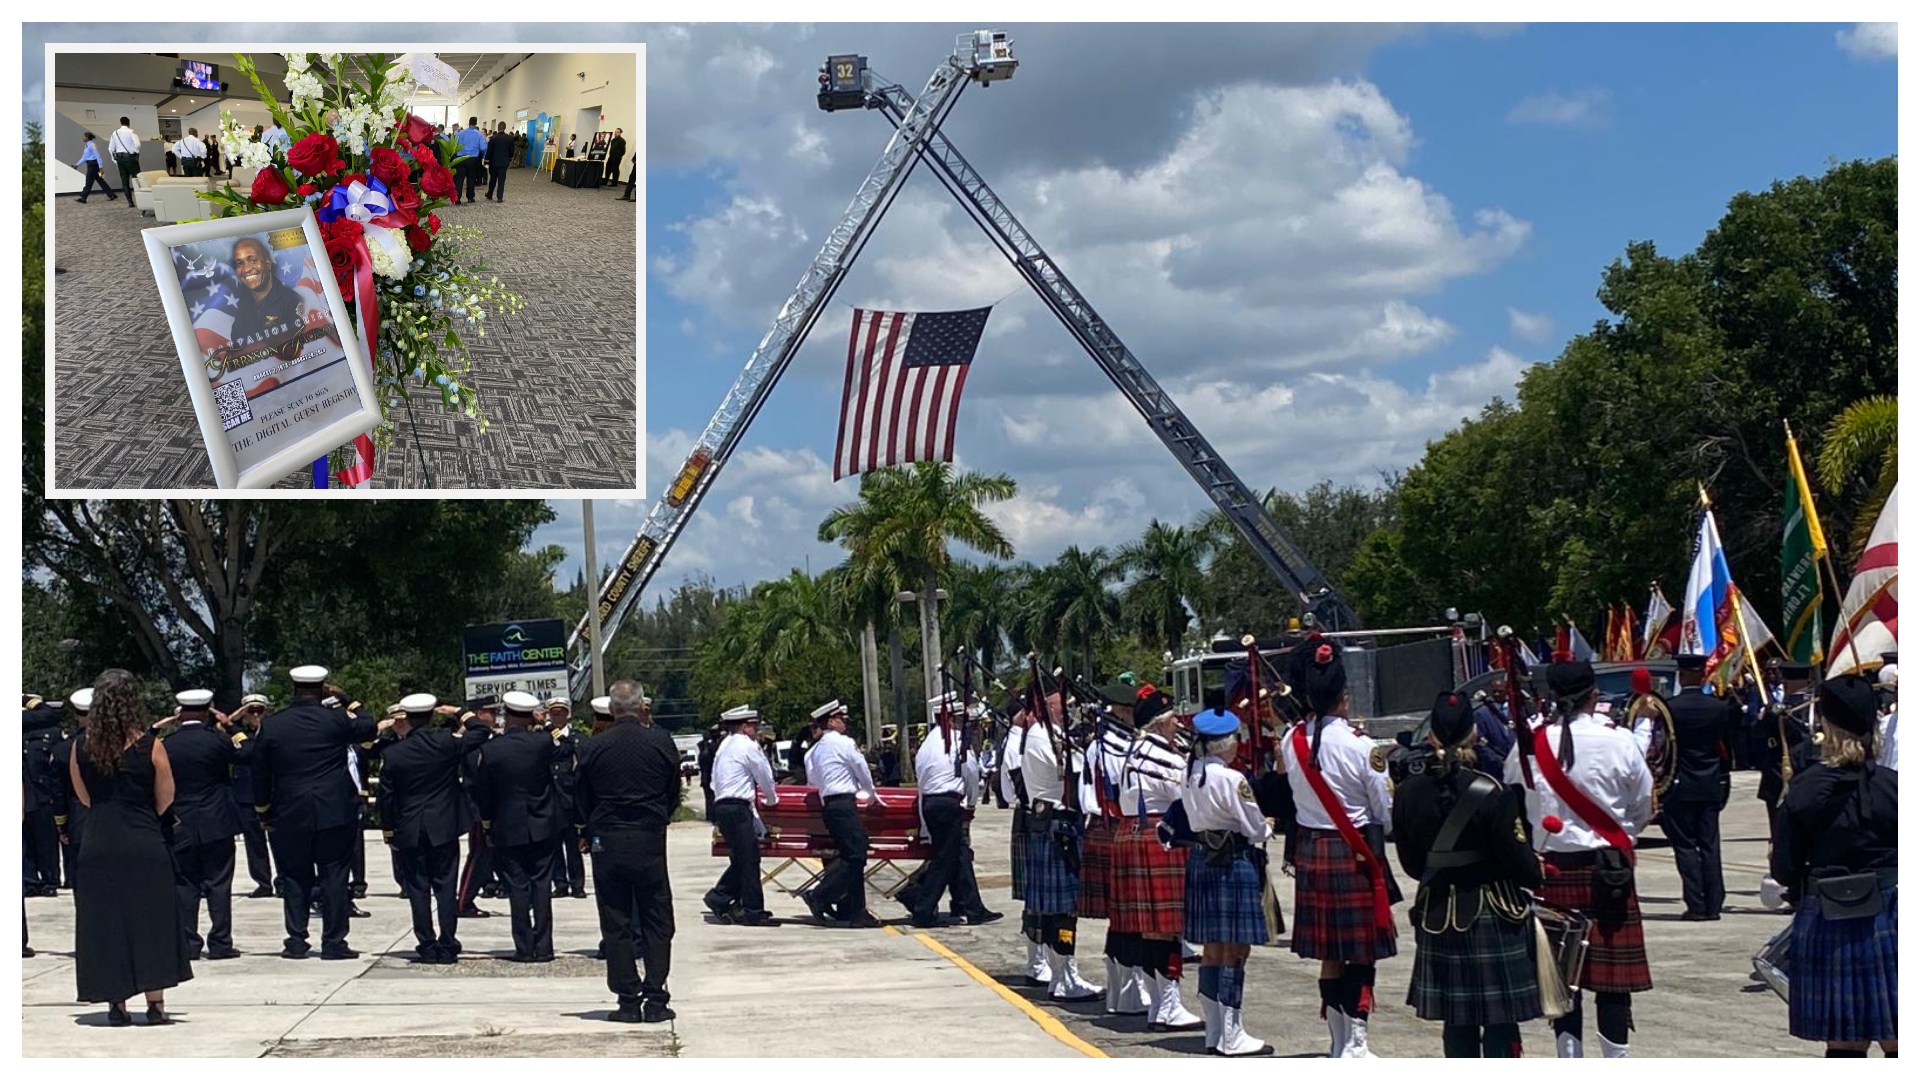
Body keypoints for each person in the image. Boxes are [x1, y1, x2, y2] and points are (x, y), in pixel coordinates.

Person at [1507, 658, 1654, 1058]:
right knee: (1612, 983)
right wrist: (1626, 835)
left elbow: (1514, 798)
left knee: (1562, 979)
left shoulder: (1532, 744)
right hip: (1611, 868)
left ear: (1553, 697)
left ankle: (1568, 1061)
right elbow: (1642, 803)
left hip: (1554, 869)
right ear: (1595, 694)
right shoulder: (1620, 740)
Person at [1393, 691, 1543, 1057]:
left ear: (1431, 737)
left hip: (1439, 911)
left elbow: (1413, 864)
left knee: (1456, 1021)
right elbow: (1522, 867)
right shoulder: (1493, 792)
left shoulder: (1408, 792)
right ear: (1473, 735)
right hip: (1494, 909)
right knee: (1501, 1019)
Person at [1281, 640, 1398, 1058]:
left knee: (1330, 953)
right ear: (1342, 695)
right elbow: (1384, 808)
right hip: (1356, 851)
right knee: (1361, 951)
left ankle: (1337, 1040)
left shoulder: (1288, 741)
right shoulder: (1361, 746)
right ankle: (1357, 1042)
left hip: (1312, 848)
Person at [1772, 674, 1897, 1057]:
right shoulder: (1897, 786)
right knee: (1902, 1033)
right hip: (1895, 912)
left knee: (1844, 1040)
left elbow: (1785, 868)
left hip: (1828, 913)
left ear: (1826, 724)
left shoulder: (1805, 788)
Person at [69, 670, 193, 1025]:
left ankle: (116, 1003)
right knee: (151, 919)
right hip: (143, 839)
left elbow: (83, 796)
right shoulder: (151, 745)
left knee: (106, 921)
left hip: (98, 841)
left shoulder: (80, 747)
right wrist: (142, 815)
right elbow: (166, 795)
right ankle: (155, 1003)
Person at [250, 664, 377, 959]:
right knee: (335, 876)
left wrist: (263, 810)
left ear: (294, 688)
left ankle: (296, 939)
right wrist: (349, 700)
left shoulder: (274, 724)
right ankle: (333, 942)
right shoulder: (335, 721)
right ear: (323, 689)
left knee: (294, 876)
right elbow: (369, 725)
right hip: (334, 811)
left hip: (289, 811)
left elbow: (260, 772)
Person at [575, 680, 681, 1023]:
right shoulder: (660, 741)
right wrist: (658, 816)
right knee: (656, 918)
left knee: (616, 919)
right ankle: (655, 995)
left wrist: (589, 829)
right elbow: (673, 790)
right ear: (640, 706)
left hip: (608, 838)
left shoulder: (594, 746)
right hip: (649, 837)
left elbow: (581, 797)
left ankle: (627, 999)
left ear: (612, 709)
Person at [1179, 704, 1274, 1056]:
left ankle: (1216, 1029)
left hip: (1203, 858)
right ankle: (1232, 1032)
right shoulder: (1232, 778)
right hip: (1233, 860)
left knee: (1213, 949)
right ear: (1226, 744)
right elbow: (1252, 827)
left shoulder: (1189, 773)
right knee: (1236, 949)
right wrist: (1268, 827)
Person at [1111, 689, 1203, 1032]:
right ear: (1161, 723)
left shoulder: (1134, 749)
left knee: (1152, 930)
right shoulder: (1164, 755)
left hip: (1133, 831)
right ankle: (1169, 1005)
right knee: (1167, 927)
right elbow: (1185, 796)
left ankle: (1161, 1005)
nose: (1177, 723)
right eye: (1172, 719)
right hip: (1159, 835)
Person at [1018, 681, 1102, 1002]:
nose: (1065, 709)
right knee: (1063, 910)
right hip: (1058, 825)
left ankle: (1062, 974)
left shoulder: (1050, 736)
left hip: (1053, 824)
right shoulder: (1042, 738)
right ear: (1044, 706)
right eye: (1058, 704)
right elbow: (1076, 775)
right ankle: (1065, 975)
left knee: (1058, 910)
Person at [473, 692, 566, 962]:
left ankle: (524, 947)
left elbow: (484, 793)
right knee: (541, 884)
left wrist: (488, 823)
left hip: (508, 825)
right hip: (543, 824)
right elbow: (567, 748)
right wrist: (546, 725)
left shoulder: (491, 749)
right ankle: (545, 946)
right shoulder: (543, 742)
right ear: (532, 715)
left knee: (517, 887)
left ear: (506, 714)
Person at [376, 694, 466, 964]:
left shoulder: (393, 753)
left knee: (417, 888)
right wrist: (458, 712)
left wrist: (389, 830)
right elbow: (481, 731)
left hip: (410, 827)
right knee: (446, 887)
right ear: (431, 715)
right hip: (443, 826)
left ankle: (426, 943)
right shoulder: (446, 743)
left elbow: (386, 797)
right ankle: (448, 942)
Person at [899, 693, 1000, 929]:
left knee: (958, 855)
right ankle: (920, 905)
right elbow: (972, 774)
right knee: (945, 859)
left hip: (931, 804)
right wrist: (971, 804)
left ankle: (972, 907)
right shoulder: (956, 742)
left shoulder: (927, 745)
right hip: (948, 804)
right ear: (952, 719)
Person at [164, 689, 245, 961]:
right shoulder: (218, 742)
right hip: (216, 821)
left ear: (180, 712)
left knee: (185, 885)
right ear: (208, 709)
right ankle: (221, 943)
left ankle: (188, 944)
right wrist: (231, 726)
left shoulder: (168, 744)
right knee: (219, 883)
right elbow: (249, 752)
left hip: (180, 823)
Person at [1662, 655, 1741, 920]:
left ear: (1681, 676)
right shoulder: (1718, 708)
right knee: (1710, 845)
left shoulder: (1670, 708)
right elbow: (1725, 748)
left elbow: (1663, 749)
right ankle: (1714, 903)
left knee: (1685, 846)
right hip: (1710, 781)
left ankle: (1696, 904)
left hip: (1680, 782)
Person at [801, 699, 882, 927]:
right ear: (831, 721)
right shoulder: (844, 743)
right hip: (844, 804)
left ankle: (857, 912)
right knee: (856, 856)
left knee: (852, 858)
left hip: (831, 805)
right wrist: (872, 794)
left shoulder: (817, 750)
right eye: (840, 719)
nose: (844, 722)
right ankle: (818, 895)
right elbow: (861, 768)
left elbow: (814, 781)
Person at [703, 704, 779, 925]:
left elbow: (713, 781)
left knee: (742, 857)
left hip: (723, 805)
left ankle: (721, 897)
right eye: (754, 726)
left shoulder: (725, 745)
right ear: (745, 727)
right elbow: (763, 774)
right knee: (749, 859)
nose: (757, 730)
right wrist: (771, 798)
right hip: (737, 807)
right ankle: (751, 910)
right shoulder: (748, 746)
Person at [225, 694, 275, 897]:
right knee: (254, 843)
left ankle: (284, 881)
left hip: (272, 794)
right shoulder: (237, 735)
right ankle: (263, 882)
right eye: (250, 712)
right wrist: (237, 716)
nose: (255, 715)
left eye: (259, 711)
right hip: (246, 795)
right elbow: (218, 731)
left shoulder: (273, 732)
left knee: (280, 841)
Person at [455, 696, 499, 916]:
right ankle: (464, 902)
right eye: (492, 712)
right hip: (478, 809)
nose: (496, 716)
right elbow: (475, 775)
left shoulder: (489, 739)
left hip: (491, 808)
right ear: (480, 714)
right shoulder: (473, 743)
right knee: (478, 856)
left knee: (489, 856)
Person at [544, 697, 588, 898]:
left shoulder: (578, 738)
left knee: (574, 846)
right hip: (550, 798)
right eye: (554, 713)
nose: (557, 716)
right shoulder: (543, 736)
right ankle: (560, 883)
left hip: (572, 799)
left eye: (561, 712)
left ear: (568, 714)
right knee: (553, 846)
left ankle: (577, 884)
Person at [226, 237, 303, 349]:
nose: (246, 269)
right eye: (239, 263)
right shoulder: (242, 312)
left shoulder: (292, 302)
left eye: (253, 260)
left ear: (268, 264)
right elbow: (238, 353)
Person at [52, 690, 95, 891]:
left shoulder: (62, 749)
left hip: (78, 819)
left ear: (77, 715)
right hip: (116, 820)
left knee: (82, 884)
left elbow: (59, 792)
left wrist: (61, 824)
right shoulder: (118, 746)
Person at [73, 132, 119, 204]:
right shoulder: (87, 146)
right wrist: (77, 165)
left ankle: (83, 197)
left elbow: (98, 157)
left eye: (83, 136)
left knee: (89, 181)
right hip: (91, 165)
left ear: (87, 137)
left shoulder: (92, 146)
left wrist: (100, 168)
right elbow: (84, 158)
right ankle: (111, 195)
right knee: (100, 181)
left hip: (94, 166)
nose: (83, 138)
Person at [107, 117, 141, 207]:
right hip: (130, 158)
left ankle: (130, 202)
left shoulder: (115, 133)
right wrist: (135, 152)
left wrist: (114, 160)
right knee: (137, 179)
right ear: (129, 123)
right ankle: (141, 200)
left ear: (120, 123)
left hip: (120, 159)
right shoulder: (131, 132)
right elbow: (137, 144)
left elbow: (110, 148)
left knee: (124, 181)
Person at [455, 116, 486, 203]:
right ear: (476, 124)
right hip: (472, 159)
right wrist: (483, 155)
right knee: (471, 178)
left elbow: (455, 145)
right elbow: (483, 148)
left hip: (461, 158)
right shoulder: (479, 134)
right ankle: (470, 197)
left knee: (459, 179)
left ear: (468, 123)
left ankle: (457, 198)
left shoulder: (460, 133)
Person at [483, 121, 515, 202]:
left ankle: (490, 194)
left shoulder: (493, 138)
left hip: (494, 162)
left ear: (498, 128)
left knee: (492, 179)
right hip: (504, 162)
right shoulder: (510, 138)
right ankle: (499, 197)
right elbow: (511, 151)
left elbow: (489, 151)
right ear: (505, 128)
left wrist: (486, 161)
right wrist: (509, 159)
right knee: (501, 180)